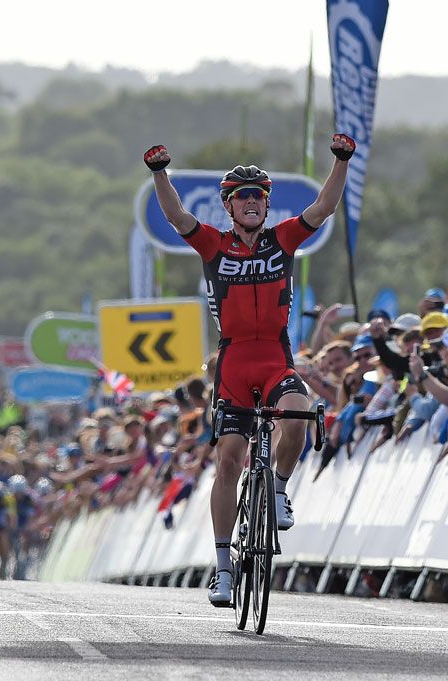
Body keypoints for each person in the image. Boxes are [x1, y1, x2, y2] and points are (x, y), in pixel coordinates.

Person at [144, 132, 355, 606]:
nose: (252, 203)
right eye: (243, 198)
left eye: (259, 197)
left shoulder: (283, 240)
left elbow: (322, 208)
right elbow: (177, 216)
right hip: (235, 362)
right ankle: (222, 569)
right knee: (228, 463)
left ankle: (278, 489)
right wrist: (160, 173)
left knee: (299, 418)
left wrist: (340, 160)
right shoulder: (214, 246)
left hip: (275, 357)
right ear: (229, 206)